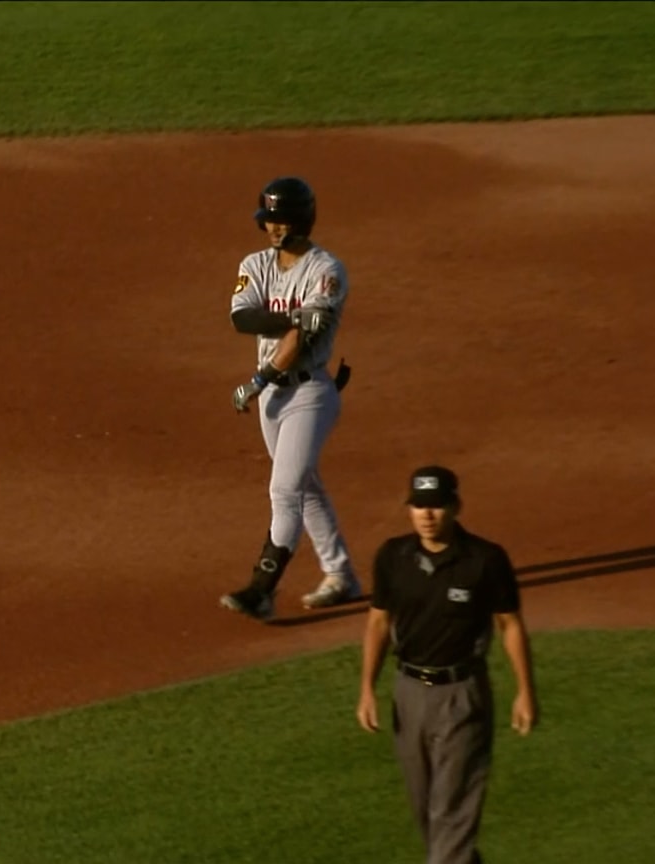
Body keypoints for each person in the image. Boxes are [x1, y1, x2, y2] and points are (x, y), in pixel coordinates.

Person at [356, 466, 538, 864]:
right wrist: (367, 688)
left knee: (451, 816)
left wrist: (525, 691)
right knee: (427, 815)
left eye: (436, 506)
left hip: (462, 696)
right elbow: (378, 622)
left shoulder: (485, 560)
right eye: (419, 506)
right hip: (408, 694)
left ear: (455, 507)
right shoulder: (393, 557)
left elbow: (509, 625)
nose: (427, 514)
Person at [219, 176, 362, 622]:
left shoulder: (327, 270)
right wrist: (292, 317)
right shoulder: (256, 264)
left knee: (284, 490)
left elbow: (304, 337)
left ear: (302, 220)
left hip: (310, 392)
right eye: (269, 221)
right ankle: (340, 575)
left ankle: (262, 589)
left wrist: (259, 379)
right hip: (273, 401)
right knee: (306, 485)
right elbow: (242, 318)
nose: (273, 229)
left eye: (281, 221)